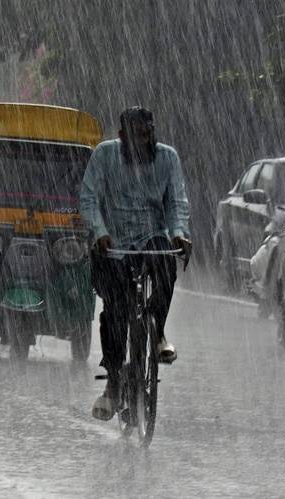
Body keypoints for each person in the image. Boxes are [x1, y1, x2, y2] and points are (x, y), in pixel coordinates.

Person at [80, 106, 191, 421]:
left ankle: (156, 333)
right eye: (136, 136)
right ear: (121, 137)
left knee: (166, 267)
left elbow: (177, 201)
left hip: (151, 236)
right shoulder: (105, 155)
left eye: (148, 135)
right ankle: (114, 383)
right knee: (114, 311)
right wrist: (99, 231)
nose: (143, 143)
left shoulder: (167, 158)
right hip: (113, 242)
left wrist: (179, 234)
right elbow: (88, 198)